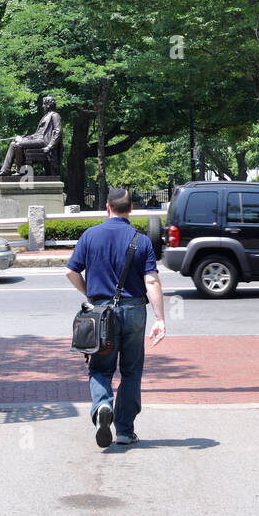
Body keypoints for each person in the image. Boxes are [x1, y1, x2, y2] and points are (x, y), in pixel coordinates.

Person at [65, 187, 165, 447]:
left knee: (100, 368)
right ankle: (124, 430)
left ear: (107, 208)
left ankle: (101, 407)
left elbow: (71, 272)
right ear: (130, 209)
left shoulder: (90, 236)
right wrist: (160, 318)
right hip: (134, 310)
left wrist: (91, 293)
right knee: (131, 371)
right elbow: (151, 280)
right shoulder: (140, 240)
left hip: (101, 314)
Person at [0, 94, 63, 178]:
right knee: (13, 144)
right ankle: (5, 170)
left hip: (43, 141)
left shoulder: (55, 115)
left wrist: (49, 147)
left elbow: (58, 132)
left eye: (44, 104)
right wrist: (25, 138)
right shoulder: (46, 116)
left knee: (19, 144)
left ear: (48, 105)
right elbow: (37, 133)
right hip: (37, 139)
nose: (42, 106)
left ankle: (21, 171)